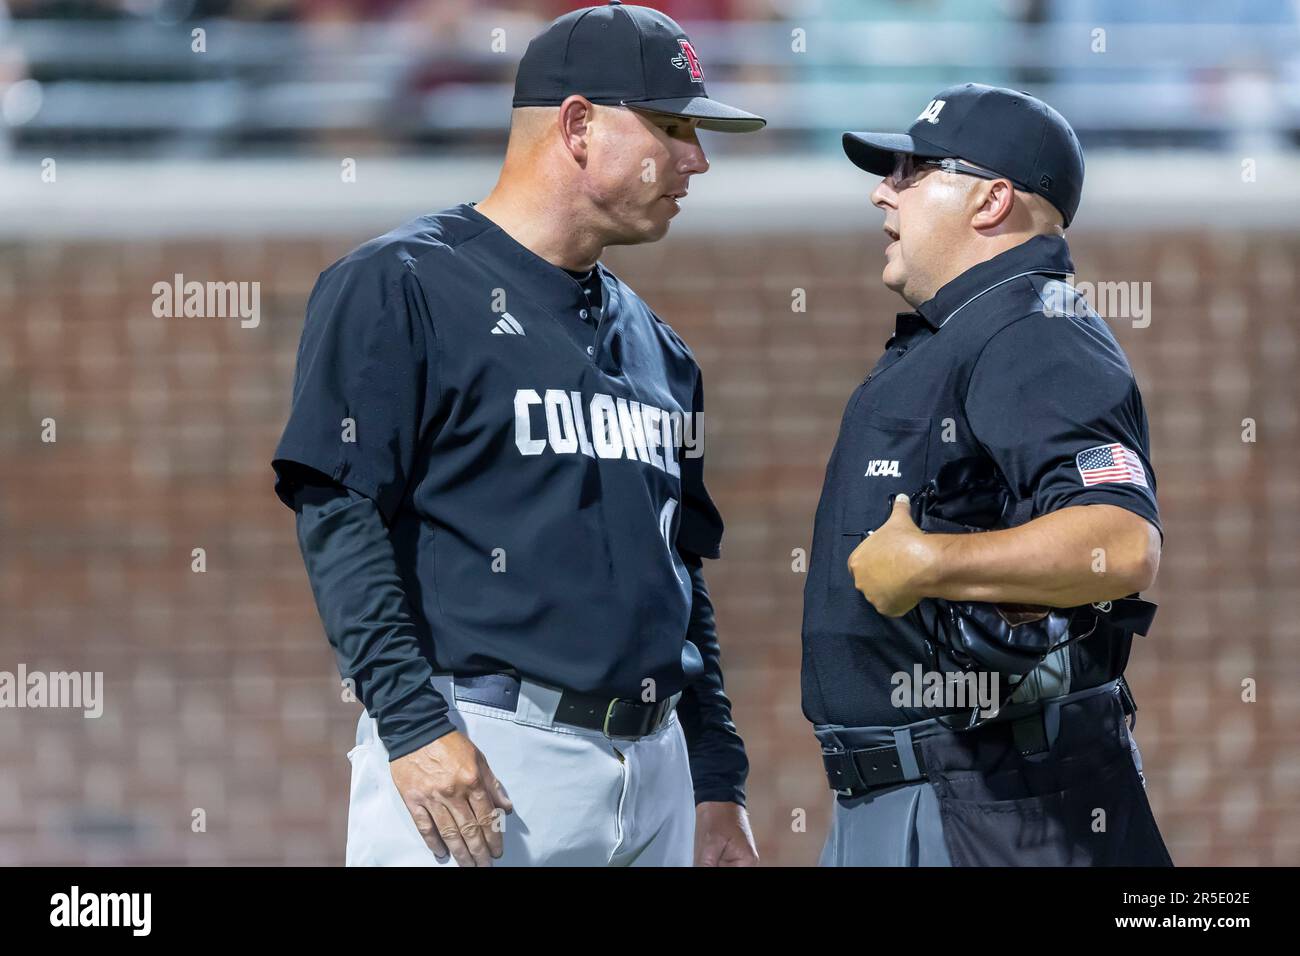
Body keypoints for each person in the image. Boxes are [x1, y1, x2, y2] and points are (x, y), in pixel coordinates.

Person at [271, 2, 765, 867]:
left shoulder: (661, 345)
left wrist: (715, 777)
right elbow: (337, 515)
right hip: (486, 756)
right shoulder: (401, 282)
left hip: (656, 768)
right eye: (672, 125)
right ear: (577, 126)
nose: (697, 158)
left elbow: (680, 572)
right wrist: (414, 726)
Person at [801, 83, 1174, 866]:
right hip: (926, 797)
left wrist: (933, 562)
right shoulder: (967, 331)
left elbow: (1120, 541)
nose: (882, 192)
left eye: (908, 172)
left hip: (996, 808)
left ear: (992, 199)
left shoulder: (1034, 328)